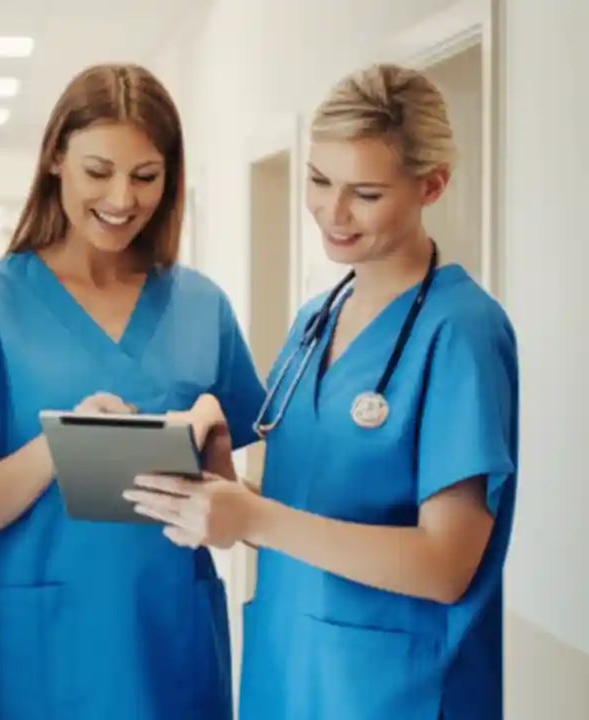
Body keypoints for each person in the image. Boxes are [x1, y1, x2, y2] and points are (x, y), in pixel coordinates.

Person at [125, 64, 519, 719]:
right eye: (318, 180)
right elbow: (301, 514)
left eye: (365, 193)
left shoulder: (463, 331)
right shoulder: (316, 321)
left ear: (432, 185)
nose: (332, 213)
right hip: (288, 674)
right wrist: (223, 486)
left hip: (399, 692)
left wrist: (255, 517)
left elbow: (446, 564)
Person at [0, 63, 266, 719]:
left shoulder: (201, 307)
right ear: (55, 161)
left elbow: (231, 520)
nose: (122, 198)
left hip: (168, 651)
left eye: (145, 176)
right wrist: (63, 443)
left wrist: (210, 442)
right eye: (98, 172)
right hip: (34, 660)